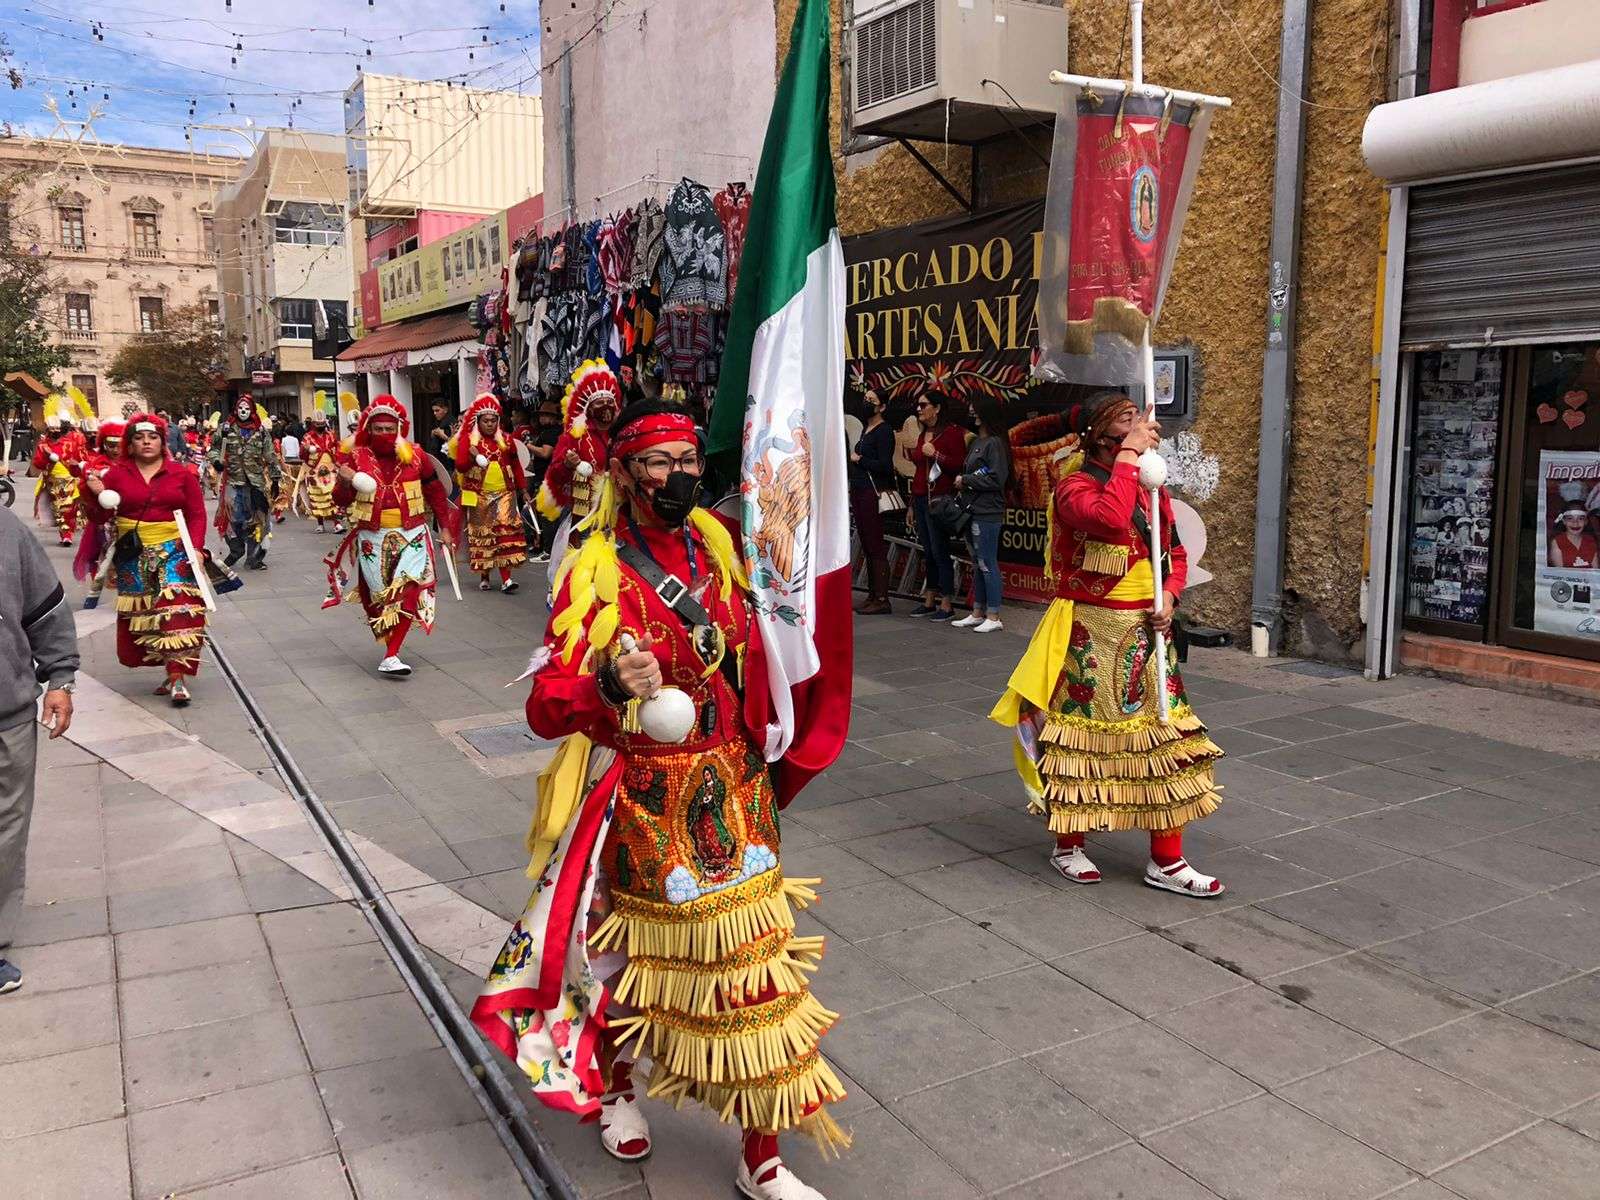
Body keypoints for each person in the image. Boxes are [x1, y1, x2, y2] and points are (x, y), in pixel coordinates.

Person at [473, 399, 847, 1200]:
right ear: (622, 471)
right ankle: (615, 1086)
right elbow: (545, 709)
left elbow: (763, 648)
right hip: (642, 795)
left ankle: (763, 1158)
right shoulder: (594, 567)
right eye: (658, 461)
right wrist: (607, 681)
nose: (678, 475)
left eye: (687, 461)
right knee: (624, 963)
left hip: (733, 787)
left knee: (756, 967)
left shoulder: (720, 545)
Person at [991, 392, 1225, 896]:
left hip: (1145, 636)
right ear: (1098, 434)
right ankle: (1068, 844)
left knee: (1166, 741)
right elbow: (1107, 519)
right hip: (1089, 634)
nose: (1140, 428)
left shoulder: (1149, 490)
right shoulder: (1074, 486)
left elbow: (1174, 553)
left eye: (1139, 421)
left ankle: (1167, 858)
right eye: (1126, 422)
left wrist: (1169, 594)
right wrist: (1128, 459)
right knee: (1079, 742)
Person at [0, 503, 79, 995]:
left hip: (6, 713)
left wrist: (60, 678)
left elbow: (45, 609)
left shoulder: (7, 531)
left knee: (7, 826)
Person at [324, 396, 460, 677]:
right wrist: (346, 479)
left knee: (408, 588)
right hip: (372, 535)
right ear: (368, 430)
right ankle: (389, 639)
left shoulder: (417, 455)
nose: (386, 434)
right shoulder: (355, 457)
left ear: (400, 428)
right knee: (377, 596)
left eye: (390, 428)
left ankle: (392, 654)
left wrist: (445, 527)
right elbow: (340, 500)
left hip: (413, 532)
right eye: (379, 429)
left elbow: (435, 491)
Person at [83, 413, 210, 707]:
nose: (146, 442)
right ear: (130, 444)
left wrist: (198, 550)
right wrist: (93, 495)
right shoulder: (114, 475)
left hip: (175, 549)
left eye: (152, 437)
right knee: (146, 615)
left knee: (179, 608)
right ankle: (167, 667)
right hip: (133, 552)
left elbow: (197, 514)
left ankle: (178, 676)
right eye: (139, 438)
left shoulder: (182, 474)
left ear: (162, 442)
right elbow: (100, 517)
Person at [446, 394, 530, 593]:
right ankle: (485, 575)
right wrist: (472, 455)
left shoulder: (507, 440)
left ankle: (506, 580)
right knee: (483, 536)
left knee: (504, 535)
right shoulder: (468, 441)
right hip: (479, 495)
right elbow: (460, 466)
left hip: (505, 494)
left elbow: (517, 466)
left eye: (493, 420)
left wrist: (523, 489)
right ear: (478, 421)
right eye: (486, 421)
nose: (490, 424)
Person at [536, 359, 621, 531]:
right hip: (584, 515)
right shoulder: (574, 437)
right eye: (599, 403)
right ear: (588, 409)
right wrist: (567, 465)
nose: (606, 407)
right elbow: (554, 476)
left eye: (610, 402)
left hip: (619, 511)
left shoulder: (623, 434)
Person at [950, 397, 1011, 632]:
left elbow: (997, 478)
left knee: (987, 562)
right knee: (978, 563)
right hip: (973, 509)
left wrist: (965, 480)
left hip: (987, 512)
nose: (972, 414)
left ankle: (993, 615)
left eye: (976, 410)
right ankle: (977, 611)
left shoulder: (994, 443)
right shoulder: (979, 442)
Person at [908, 390, 965, 621]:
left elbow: (959, 464)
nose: (919, 409)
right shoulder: (924, 434)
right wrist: (912, 503)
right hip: (921, 497)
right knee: (928, 551)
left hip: (939, 500)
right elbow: (919, 471)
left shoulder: (950, 433)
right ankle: (929, 598)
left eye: (924, 405)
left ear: (937, 408)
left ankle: (947, 601)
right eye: (918, 405)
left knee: (940, 549)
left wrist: (937, 454)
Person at [212, 396, 280, 571]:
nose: (243, 411)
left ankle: (254, 557)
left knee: (259, 521)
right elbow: (214, 449)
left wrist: (276, 479)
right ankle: (236, 549)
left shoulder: (261, 431)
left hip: (255, 483)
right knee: (230, 520)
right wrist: (216, 461)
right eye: (240, 408)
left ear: (252, 410)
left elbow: (270, 456)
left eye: (247, 408)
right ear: (236, 409)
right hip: (233, 482)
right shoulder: (225, 428)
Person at [849, 390, 897, 614]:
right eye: (865, 399)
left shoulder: (884, 431)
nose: (867, 403)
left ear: (882, 407)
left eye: (872, 401)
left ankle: (882, 597)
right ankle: (871, 594)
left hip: (872, 492)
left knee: (875, 544)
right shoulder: (865, 429)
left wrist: (861, 459)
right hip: (859, 490)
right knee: (867, 543)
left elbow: (886, 466)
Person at [71, 420, 125, 608]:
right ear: (103, 444)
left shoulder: (133, 464)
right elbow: (85, 490)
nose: (115, 450)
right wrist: (92, 489)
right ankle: (94, 594)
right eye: (111, 445)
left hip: (131, 517)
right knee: (106, 557)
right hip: (106, 520)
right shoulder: (95, 466)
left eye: (119, 445)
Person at [30, 412, 86, 546]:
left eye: (57, 428)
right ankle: (65, 534)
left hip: (70, 479)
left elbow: (78, 459)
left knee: (71, 507)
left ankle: (69, 532)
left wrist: (79, 467)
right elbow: (38, 463)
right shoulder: (43, 445)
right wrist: (47, 457)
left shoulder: (70, 443)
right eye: (52, 428)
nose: (55, 431)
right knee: (60, 508)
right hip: (53, 481)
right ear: (48, 429)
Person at [525, 395, 563, 561]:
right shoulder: (549, 432)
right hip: (546, 477)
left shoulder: (551, 433)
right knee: (543, 515)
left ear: (553, 418)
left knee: (546, 517)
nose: (542, 418)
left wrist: (529, 446)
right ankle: (546, 547)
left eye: (545, 415)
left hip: (547, 479)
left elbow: (545, 452)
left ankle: (548, 550)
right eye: (541, 415)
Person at [302, 410, 346, 534]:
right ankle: (320, 524)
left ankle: (337, 524)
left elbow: (338, 449)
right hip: (315, 471)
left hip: (330, 470)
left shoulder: (331, 435)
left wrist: (337, 460)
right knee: (317, 498)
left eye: (322, 424)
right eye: (318, 424)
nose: (320, 426)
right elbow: (302, 454)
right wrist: (308, 450)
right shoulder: (307, 437)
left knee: (332, 497)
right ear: (314, 424)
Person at [1548, 503, 1598, 569]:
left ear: (1586, 521)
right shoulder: (1557, 542)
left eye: (1580, 519)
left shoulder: (1591, 540)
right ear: (1564, 521)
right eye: (1570, 518)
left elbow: (1595, 569)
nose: (1575, 523)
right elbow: (1559, 573)